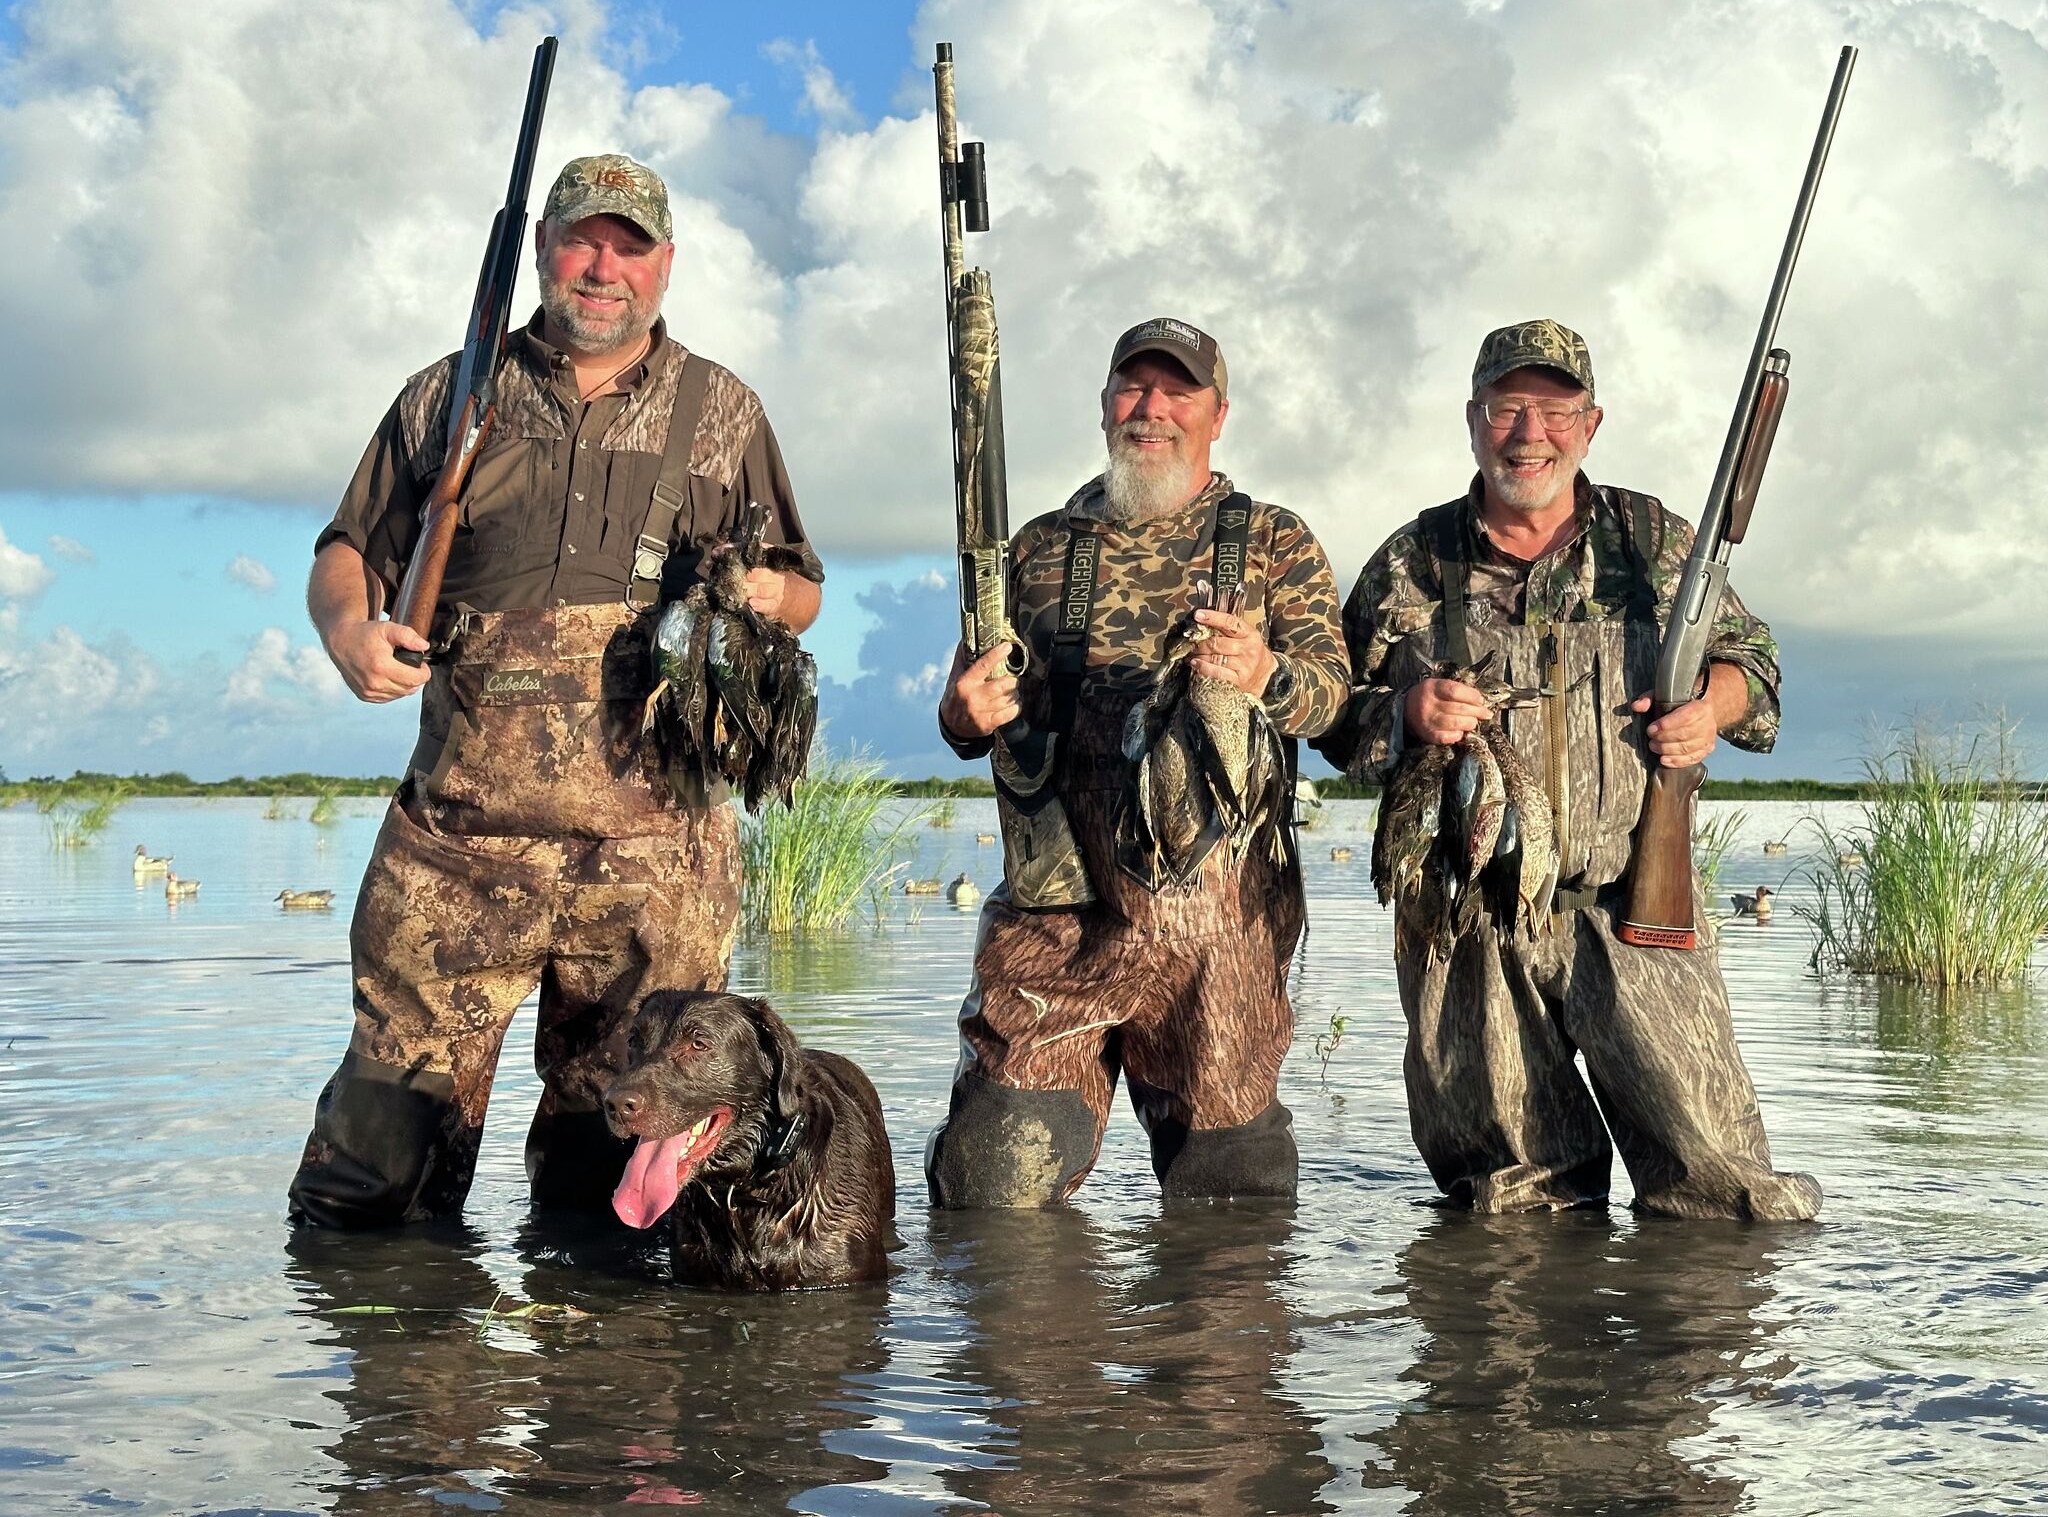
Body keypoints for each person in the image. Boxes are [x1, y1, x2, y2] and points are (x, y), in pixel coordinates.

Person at [288, 154, 822, 1228]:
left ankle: (602, 1389)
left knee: (608, 1191)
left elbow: (803, 590)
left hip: (653, 870)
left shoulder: (722, 410)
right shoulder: (446, 395)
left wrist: (761, 592)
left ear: (665, 264)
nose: (602, 267)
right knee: (372, 1178)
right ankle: (394, 1382)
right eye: (582, 239)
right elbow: (348, 549)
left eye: (629, 247)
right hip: (455, 851)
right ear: (541, 247)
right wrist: (350, 631)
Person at [1317, 318, 1820, 1220]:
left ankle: (1705, 1362)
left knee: (1726, 1197)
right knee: (1509, 1209)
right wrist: (1404, 713)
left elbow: (1757, 666)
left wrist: (1711, 707)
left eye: (1555, 411)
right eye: (1509, 408)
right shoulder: (1410, 562)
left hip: (1636, 905)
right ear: (1474, 421)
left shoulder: (1650, 538)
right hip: (1469, 927)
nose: (1530, 433)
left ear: (1592, 425)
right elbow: (1326, 714)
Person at [926, 318, 1351, 1207]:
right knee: (988, 1190)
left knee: (1231, 1220)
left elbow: (1331, 699)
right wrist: (960, 715)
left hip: (1216, 938)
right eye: (1133, 388)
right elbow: (971, 712)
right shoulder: (1037, 548)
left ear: (1217, 413)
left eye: (1178, 391)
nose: (1151, 410)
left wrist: (1264, 672)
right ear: (1106, 403)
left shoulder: (1273, 541)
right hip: (1054, 917)